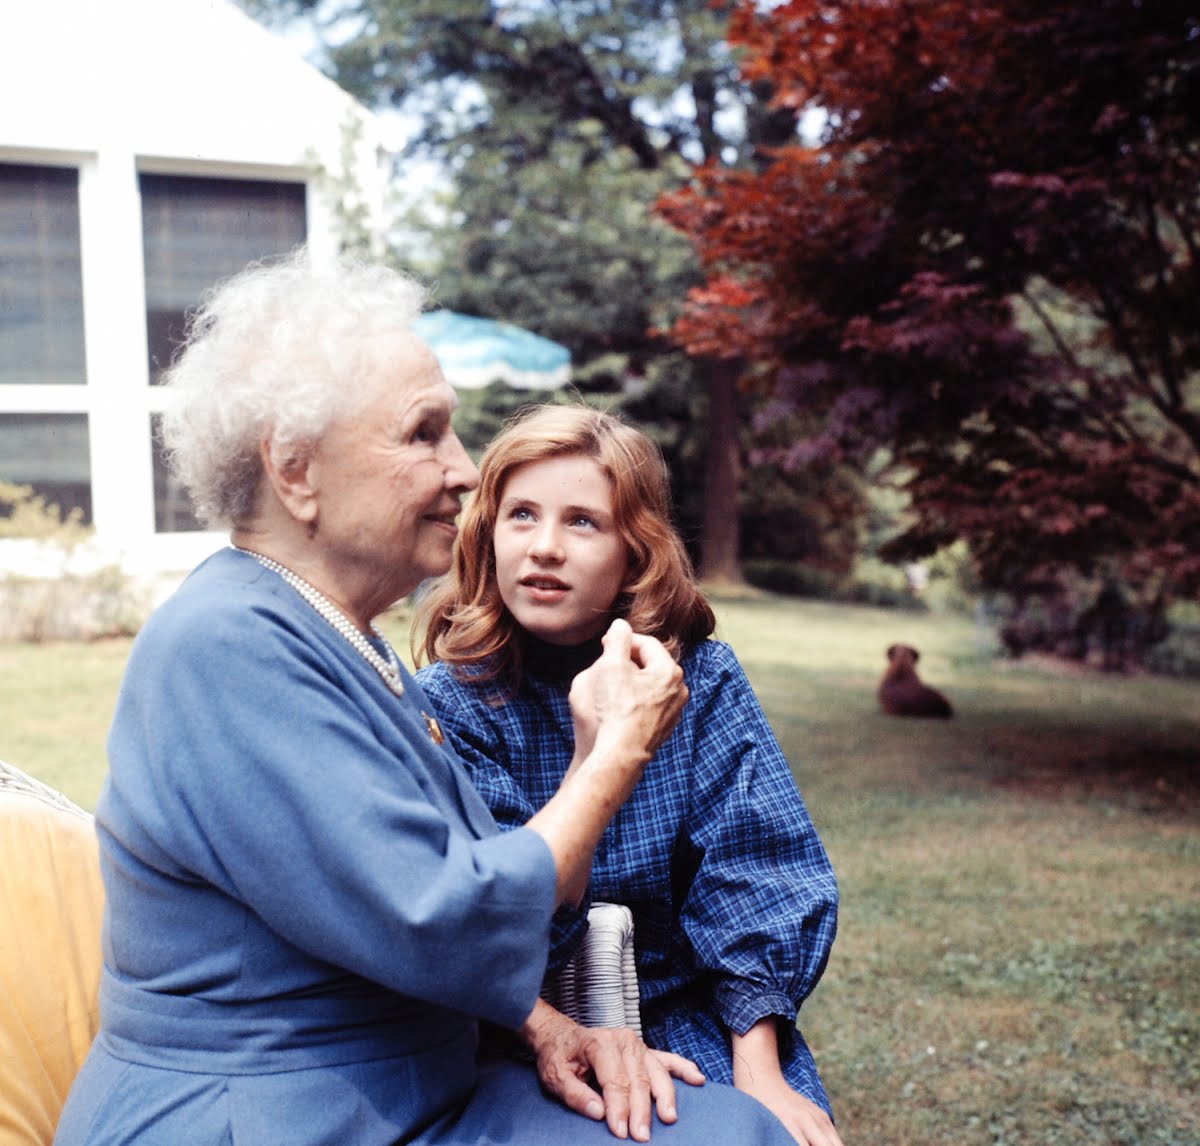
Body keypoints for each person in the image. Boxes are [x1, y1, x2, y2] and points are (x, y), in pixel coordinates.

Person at [54, 251, 800, 1146]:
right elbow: (451, 919)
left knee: (728, 1130)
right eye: (424, 434)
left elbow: (402, 895)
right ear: (297, 470)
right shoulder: (225, 648)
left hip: (409, 1086)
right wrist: (614, 754)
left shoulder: (332, 635)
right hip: (274, 1115)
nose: (464, 469)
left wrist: (546, 1026)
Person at [414, 406, 843, 1146]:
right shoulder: (453, 702)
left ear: (633, 553)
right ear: (486, 535)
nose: (544, 547)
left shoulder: (698, 680)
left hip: (686, 1005)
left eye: (582, 522)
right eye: (521, 515)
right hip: (521, 1022)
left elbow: (759, 869)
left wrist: (759, 1069)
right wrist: (598, 750)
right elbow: (500, 920)